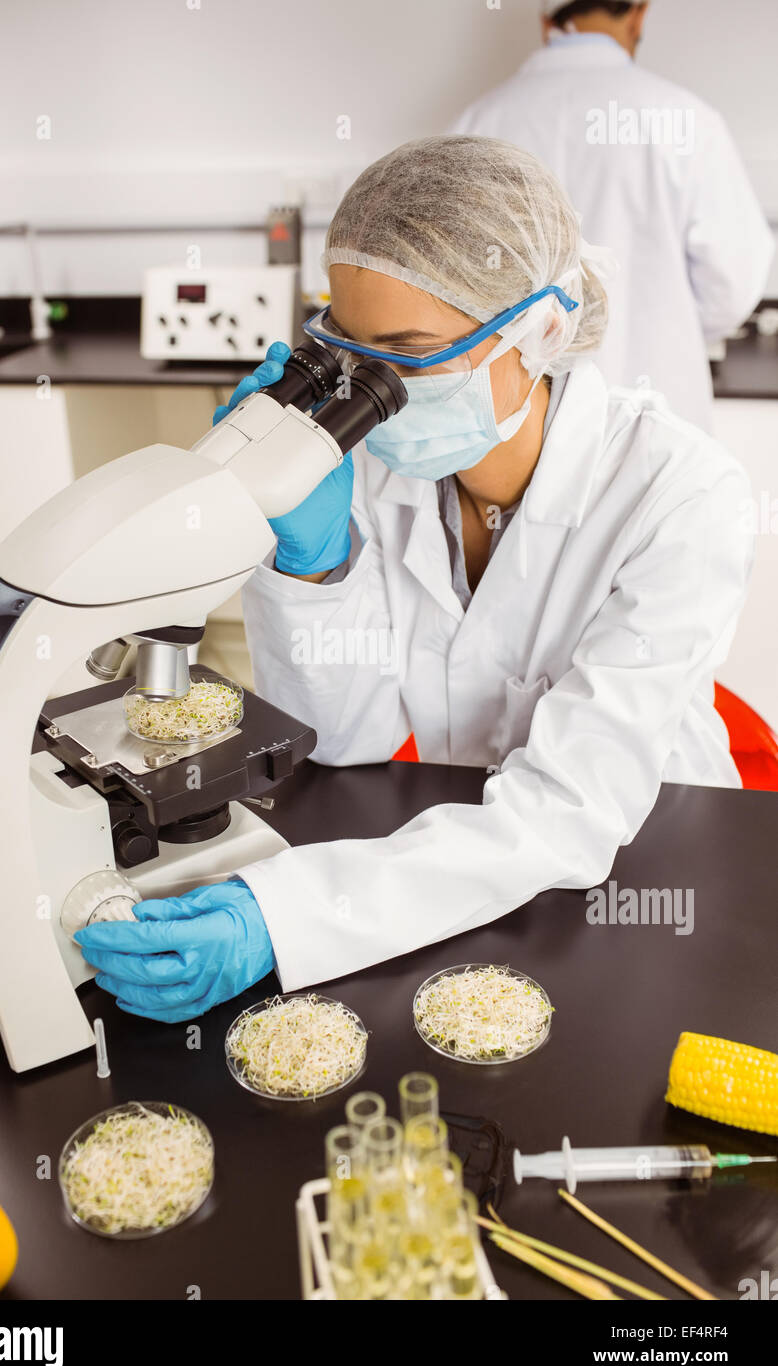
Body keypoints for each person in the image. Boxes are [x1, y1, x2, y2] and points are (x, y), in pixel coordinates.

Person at [76, 136, 752, 1023]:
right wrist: (314, 565)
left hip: (642, 871)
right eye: (350, 348)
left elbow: (567, 814)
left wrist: (286, 916)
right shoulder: (384, 465)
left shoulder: (682, 493)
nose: (373, 386)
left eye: (407, 351)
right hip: (440, 865)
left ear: (539, 330)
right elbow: (347, 741)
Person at [449, 1, 774, 431]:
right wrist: (658, 321)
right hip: (656, 407)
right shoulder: (685, 119)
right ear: (638, 14)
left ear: (547, 22)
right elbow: (732, 286)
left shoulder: (479, 122)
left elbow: (453, 283)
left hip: (517, 415)